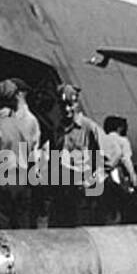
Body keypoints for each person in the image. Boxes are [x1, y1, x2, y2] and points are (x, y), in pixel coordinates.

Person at [0, 80, 37, 229]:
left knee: (2, 227)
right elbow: (33, 155)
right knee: (22, 226)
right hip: (23, 181)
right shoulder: (26, 126)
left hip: (2, 181)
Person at [48, 84, 105, 227]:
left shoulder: (89, 127)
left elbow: (109, 153)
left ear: (77, 103)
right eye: (62, 105)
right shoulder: (58, 129)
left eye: (70, 104)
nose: (66, 109)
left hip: (81, 195)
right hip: (61, 192)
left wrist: (94, 179)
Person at [99, 116, 137, 223]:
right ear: (119, 128)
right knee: (119, 203)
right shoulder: (122, 141)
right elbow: (126, 160)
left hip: (100, 176)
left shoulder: (101, 139)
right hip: (115, 176)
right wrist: (133, 178)